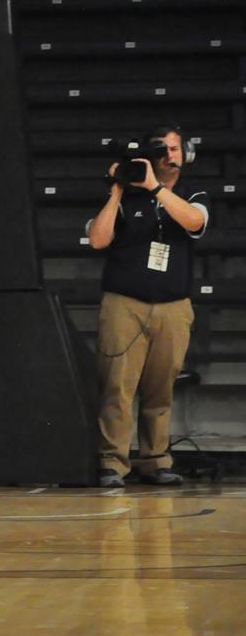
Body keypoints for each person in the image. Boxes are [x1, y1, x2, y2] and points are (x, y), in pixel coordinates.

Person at [86, 126, 208, 488]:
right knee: (117, 387)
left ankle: (155, 460)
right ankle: (113, 463)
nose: (170, 155)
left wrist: (156, 188)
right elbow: (97, 239)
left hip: (173, 305)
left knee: (160, 389)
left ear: (186, 153)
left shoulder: (194, 193)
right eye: (162, 149)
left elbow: (194, 221)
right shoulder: (127, 197)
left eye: (175, 148)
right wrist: (118, 190)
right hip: (125, 303)